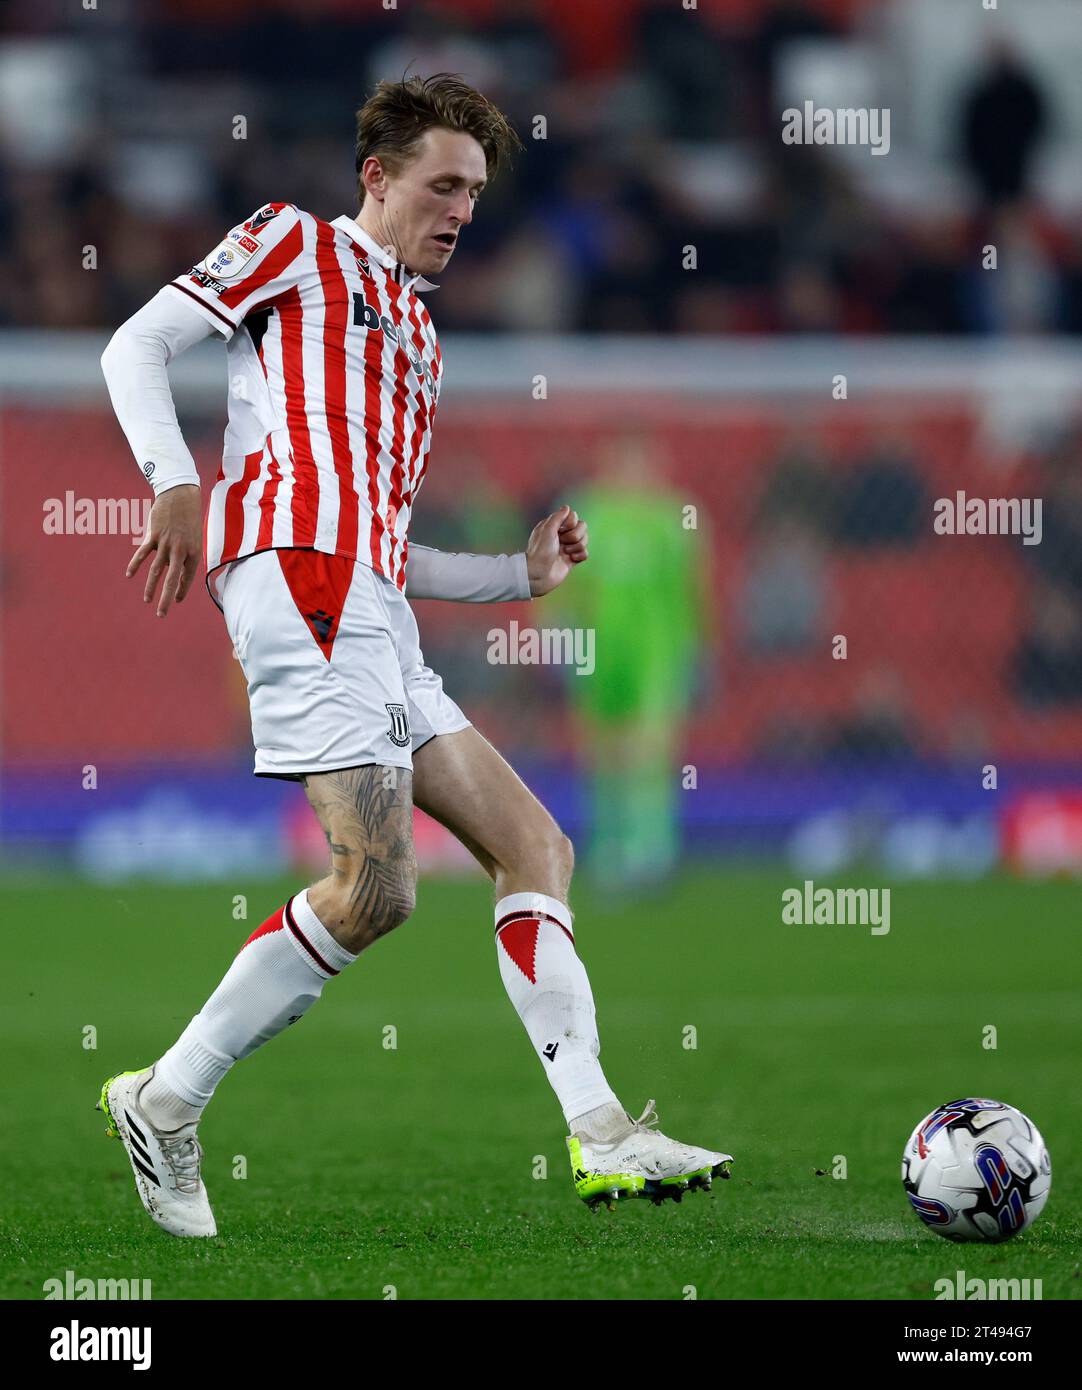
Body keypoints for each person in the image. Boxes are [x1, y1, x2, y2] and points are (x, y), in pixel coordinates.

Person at [97, 73, 731, 1237]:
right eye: (442, 184)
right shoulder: (290, 246)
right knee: (379, 886)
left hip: (370, 603)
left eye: (476, 193)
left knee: (535, 843)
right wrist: (176, 484)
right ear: (376, 178)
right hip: (299, 584)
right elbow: (135, 347)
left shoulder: (418, 340)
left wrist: (517, 576)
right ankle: (166, 1097)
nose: (460, 211)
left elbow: (389, 547)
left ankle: (600, 1134)